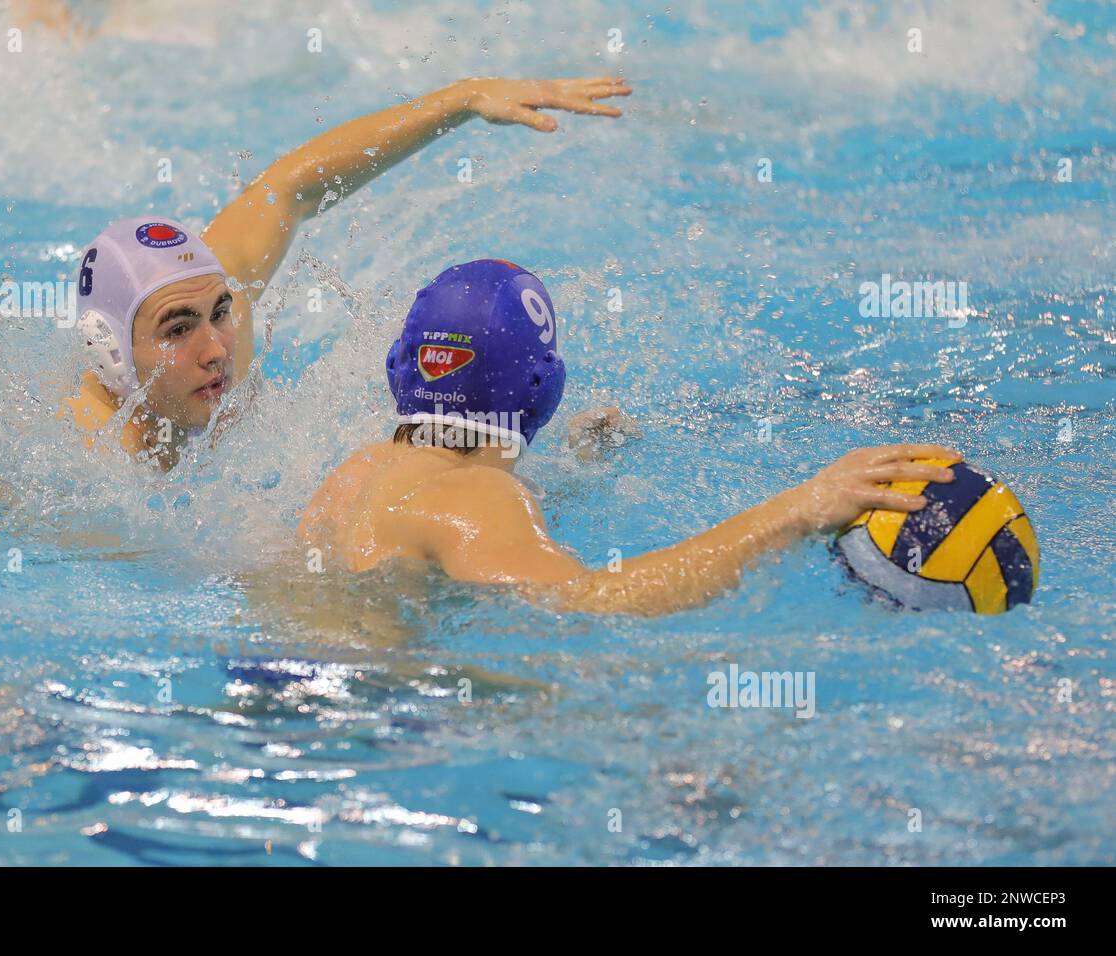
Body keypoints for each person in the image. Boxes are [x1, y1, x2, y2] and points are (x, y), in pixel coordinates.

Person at [297, 259, 965, 616]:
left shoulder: (358, 473)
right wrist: (799, 508)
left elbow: (464, 536)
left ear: (401, 366)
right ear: (541, 389)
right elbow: (590, 602)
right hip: (380, 721)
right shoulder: (478, 497)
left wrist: (584, 466)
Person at [57, 76, 633, 469]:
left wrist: (462, 99)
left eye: (221, 313)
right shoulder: (91, 466)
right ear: (110, 351)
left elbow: (290, 187)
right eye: (178, 329)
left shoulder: (203, 303)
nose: (216, 350)